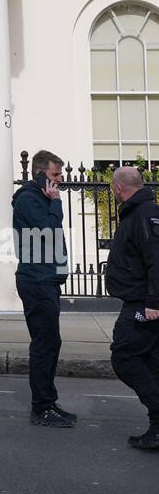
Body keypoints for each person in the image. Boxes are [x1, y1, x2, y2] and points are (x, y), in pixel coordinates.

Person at [12, 150, 76, 428]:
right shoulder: (28, 199)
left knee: (51, 343)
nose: (59, 180)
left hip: (45, 279)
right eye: (55, 175)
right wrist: (57, 202)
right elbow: (49, 231)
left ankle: (48, 402)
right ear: (40, 175)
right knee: (44, 345)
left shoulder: (40, 198)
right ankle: (41, 408)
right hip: (36, 280)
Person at [105, 166, 159, 451]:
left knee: (124, 357)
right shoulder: (137, 212)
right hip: (139, 300)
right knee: (150, 361)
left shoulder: (144, 214)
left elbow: (156, 259)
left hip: (142, 303)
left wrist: (153, 302)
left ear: (118, 187)